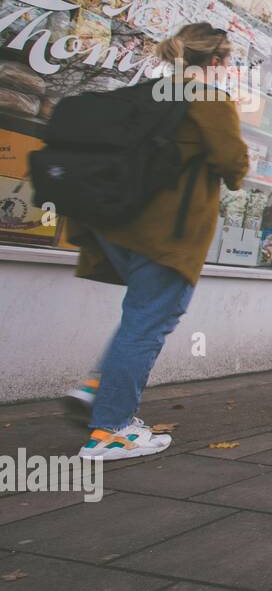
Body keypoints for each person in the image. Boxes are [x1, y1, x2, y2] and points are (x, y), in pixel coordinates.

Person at [63, 23, 249, 461]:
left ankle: (98, 388)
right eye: (229, 61)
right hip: (167, 234)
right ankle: (110, 432)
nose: (230, 69)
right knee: (149, 322)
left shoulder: (147, 93)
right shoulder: (210, 100)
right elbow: (234, 166)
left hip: (116, 226)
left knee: (140, 317)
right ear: (216, 61)